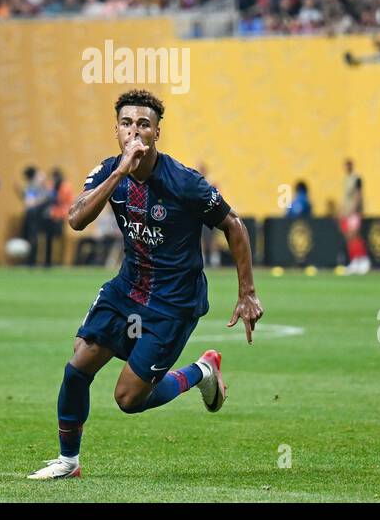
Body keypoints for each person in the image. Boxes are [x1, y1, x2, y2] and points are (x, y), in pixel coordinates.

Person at [28, 89, 263, 480]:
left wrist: (248, 292)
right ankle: (68, 463)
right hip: (129, 288)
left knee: (128, 399)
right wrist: (120, 171)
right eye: (126, 124)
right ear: (117, 131)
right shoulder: (109, 171)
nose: (134, 132)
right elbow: (75, 219)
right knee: (78, 364)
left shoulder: (185, 183)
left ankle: (200, 373)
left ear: (157, 133)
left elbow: (233, 225)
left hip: (173, 302)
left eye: (143, 125)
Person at [339, 158, 370, 275]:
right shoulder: (346, 179)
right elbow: (346, 197)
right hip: (347, 212)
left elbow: (358, 194)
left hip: (354, 211)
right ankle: (354, 261)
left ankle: (363, 260)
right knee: (349, 236)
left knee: (355, 235)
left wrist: (355, 209)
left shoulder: (356, 178)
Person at [44, 167, 73, 267]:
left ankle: (59, 261)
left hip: (60, 216)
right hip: (50, 217)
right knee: (48, 239)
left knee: (59, 239)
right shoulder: (51, 186)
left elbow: (65, 203)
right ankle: (48, 262)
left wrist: (57, 212)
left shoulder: (65, 187)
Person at [197, 163, 222, 267]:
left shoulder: (211, 182)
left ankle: (214, 260)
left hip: (211, 214)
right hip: (200, 215)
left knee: (213, 239)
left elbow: (218, 196)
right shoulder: (196, 182)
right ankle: (202, 259)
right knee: (200, 238)